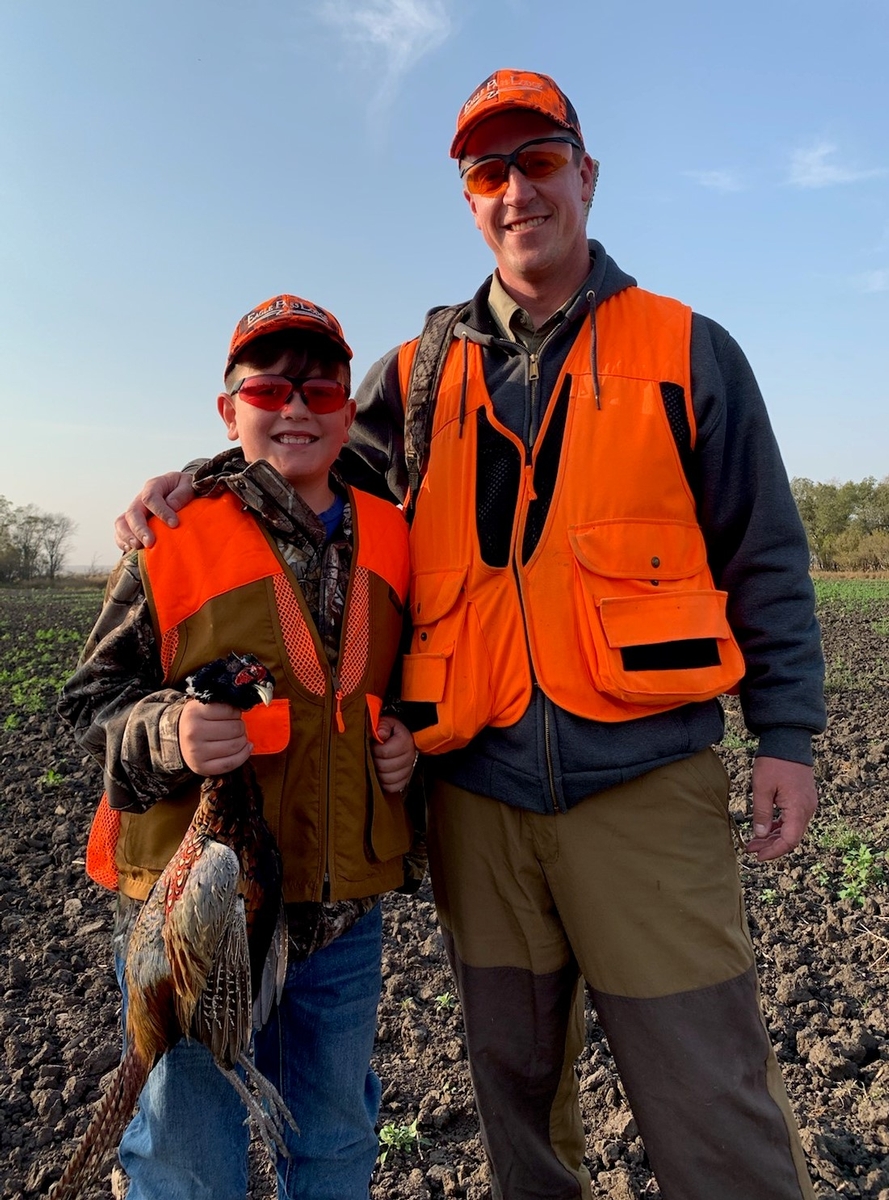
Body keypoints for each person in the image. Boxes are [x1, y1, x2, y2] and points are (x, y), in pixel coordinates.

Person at [115, 71, 825, 1200]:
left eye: (537, 162)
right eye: (488, 172)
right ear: (469, 200)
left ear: (585, 176)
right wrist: (190, 482)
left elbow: (765, 557)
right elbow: (298, 465)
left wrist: (785, 734)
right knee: (516, 1106)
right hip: (476, 801)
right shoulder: (417, 372)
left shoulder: (687, 349)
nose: (515, 190)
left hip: (644, 785)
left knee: (710, 1097)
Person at [59, 293, 420, 1200]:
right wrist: (170, 732)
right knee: (190, 1156)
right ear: (230, 410)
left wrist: (406, 739)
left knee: (333, 1140)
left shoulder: (395, 533)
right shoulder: (170, 534)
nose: (295, 406)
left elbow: (406, 682)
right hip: (194, 916)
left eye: (319, 389)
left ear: (347, 409)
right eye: (267, 388)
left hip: (338, 914)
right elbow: (90, 705)